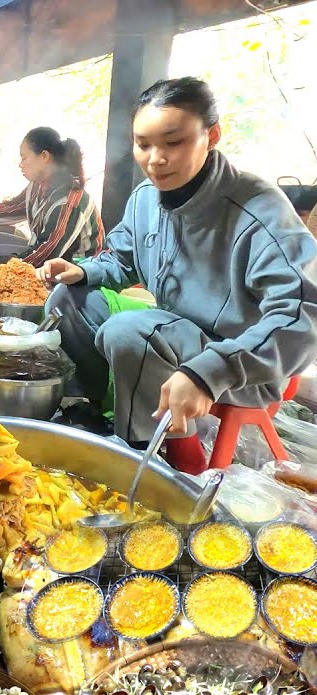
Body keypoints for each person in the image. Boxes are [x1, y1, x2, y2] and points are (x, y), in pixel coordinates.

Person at [40, 77, 317, 475]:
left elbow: (301, 320)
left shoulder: (259, 211)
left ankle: (141, 458)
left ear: (212, 135)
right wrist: (83, 270)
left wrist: (211, 371)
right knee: (67, 300)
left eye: (173, 142)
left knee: (130, 332)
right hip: (172, 332)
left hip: (241, 362)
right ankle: (99, 412)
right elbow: (123, 259)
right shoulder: (145, 199)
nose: (155, 159)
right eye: (143, 144)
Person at [0, 127, 104, 262]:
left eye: (24, 157)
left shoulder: (68, 201)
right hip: (45, 252)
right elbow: (12, 208)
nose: (21, 164)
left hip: (74, 267)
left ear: (44, 156)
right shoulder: (37, 184)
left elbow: (47, 254)